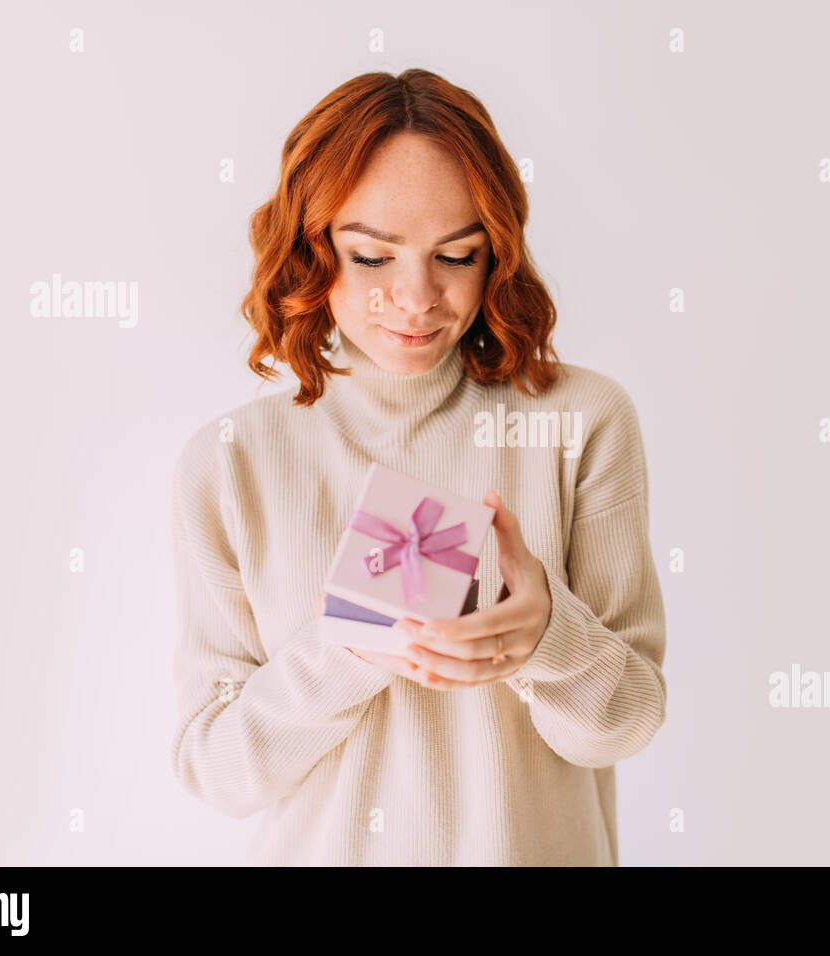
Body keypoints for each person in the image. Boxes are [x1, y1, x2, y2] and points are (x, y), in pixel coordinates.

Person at [169, 68, 667, 865]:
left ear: (495, 254)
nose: (417, 297)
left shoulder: (582, 419)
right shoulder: (232, 464)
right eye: (371, 257)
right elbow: (216, 771)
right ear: (312, 250)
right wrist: (352, 644)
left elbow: (631, 719)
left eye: (457, 256)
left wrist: (547, 637)